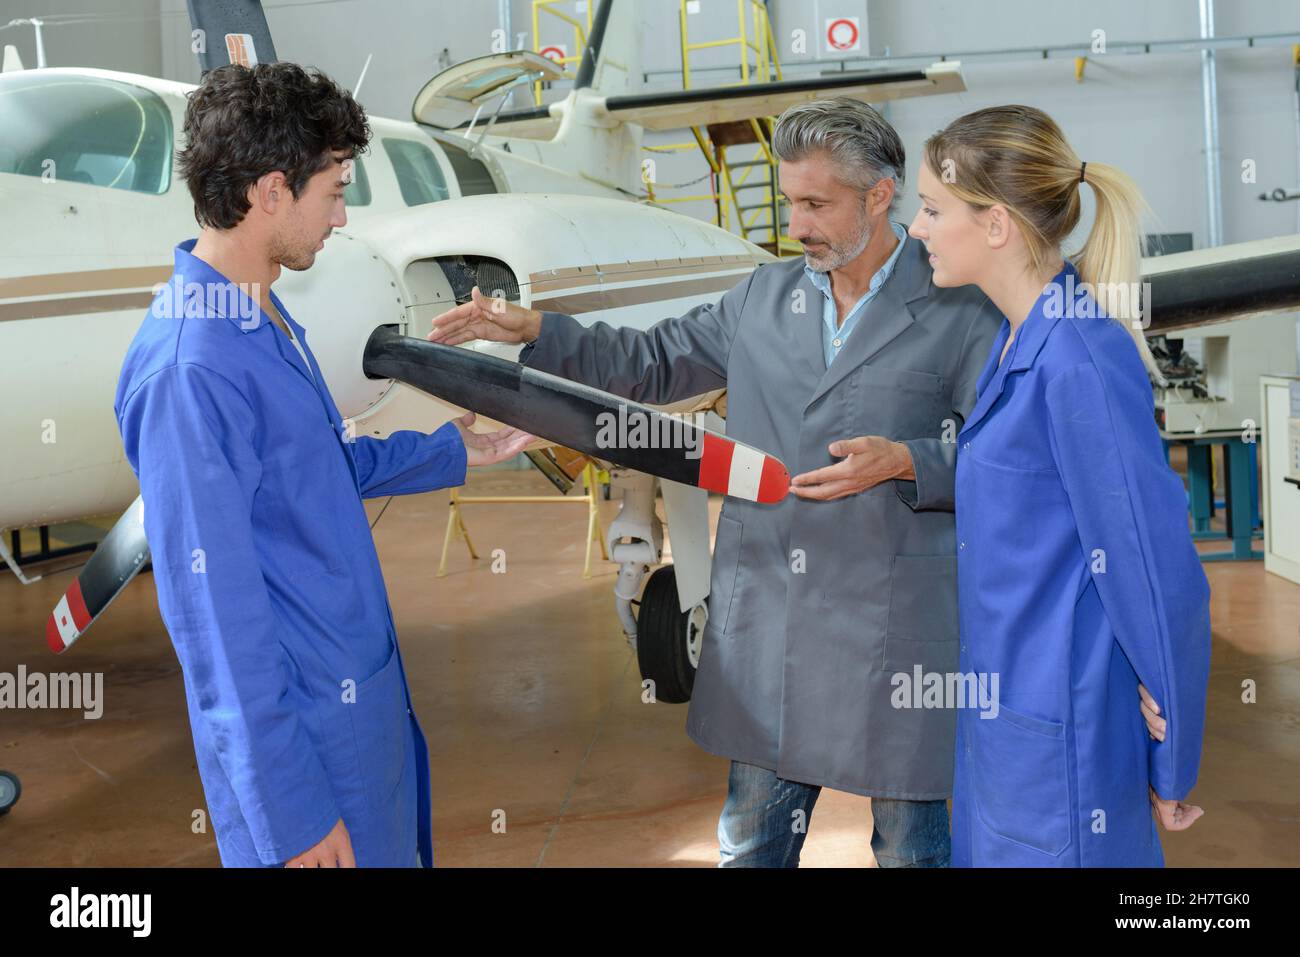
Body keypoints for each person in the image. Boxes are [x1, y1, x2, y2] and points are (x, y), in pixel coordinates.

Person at [429, 96, 1005, 867]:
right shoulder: (763, 297)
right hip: (775, 622)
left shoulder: (961, 310)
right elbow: (651, 360)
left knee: (912, 850)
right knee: (751, 844)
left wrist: (909, 461)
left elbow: (1007, 460)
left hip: (891, 634)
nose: (796, 225)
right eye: (788, 200)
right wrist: (536, 328)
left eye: (815, 204)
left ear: (879, 195)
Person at [114, 62, 532, 867]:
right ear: (272, 191)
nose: (341, 218)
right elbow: (214, 624)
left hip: (358, 711)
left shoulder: (257, 312)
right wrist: (291, 811)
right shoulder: (188, 371)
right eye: (334, 192)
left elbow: (313, 468)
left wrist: (451, 449)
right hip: (310, 757)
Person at [908, 104, 1211, 866]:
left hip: (1063, 753)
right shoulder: (1016, 340)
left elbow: (1151, 566)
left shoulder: (1077, 358)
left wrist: (1173, 753)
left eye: (932, 209)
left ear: (997, 225)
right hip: (1006, 736)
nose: (917, 228)